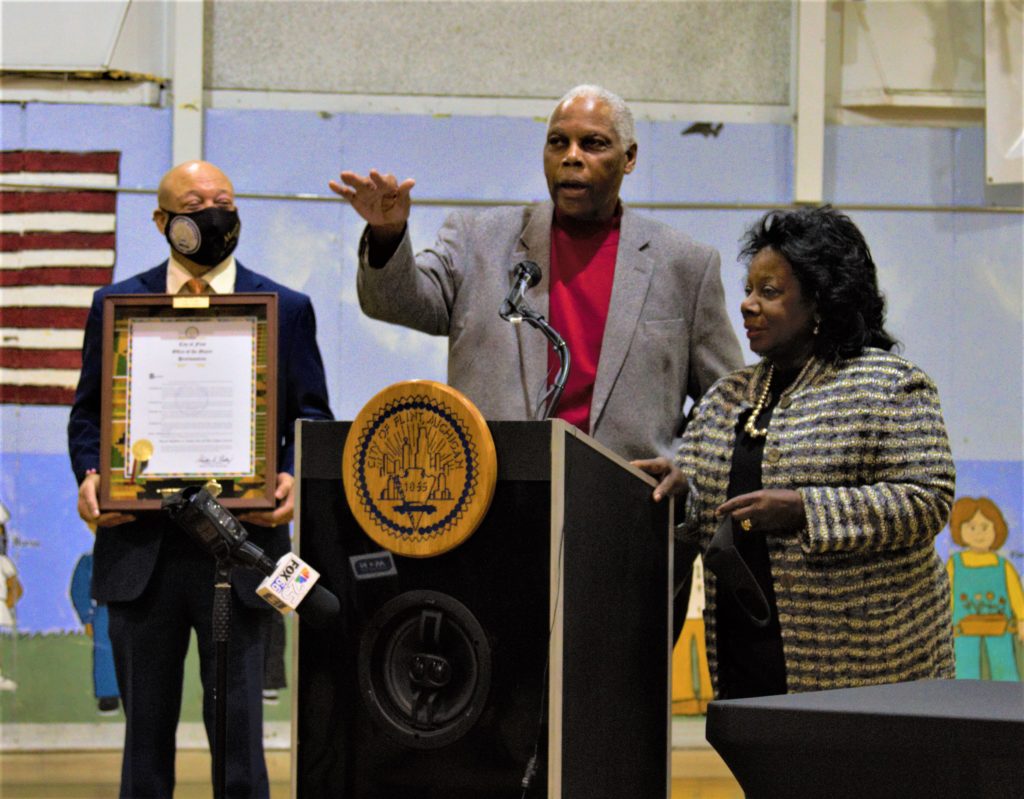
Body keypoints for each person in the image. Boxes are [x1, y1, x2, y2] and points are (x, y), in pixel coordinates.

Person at [68, 160, 333, 797]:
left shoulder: (287, 310)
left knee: (241, 751)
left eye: (225, 201)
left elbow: (313, 417)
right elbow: (88, 416)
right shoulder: (115, 307)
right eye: (194, 204)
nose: (214, 213)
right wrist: (91, 476)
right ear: (161, 220)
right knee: (144, 751)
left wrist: (291, 476)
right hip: (140, 550)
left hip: (243, 549)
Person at [636, 205, 956, 698]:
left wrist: (804, 509)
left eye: (769, 292)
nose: (747, 305)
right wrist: (681, 493)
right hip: (746, 653)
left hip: (867, 668)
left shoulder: (889, 384)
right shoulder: (727, 396)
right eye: (748, 290)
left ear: (820, 302)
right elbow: (706, 513)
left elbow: (926, 501)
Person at [329, 84, 742, 463]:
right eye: (558, 142)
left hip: (625, 503)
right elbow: (396, 303)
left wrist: (686, 465)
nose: (572, 156)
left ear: (629, 157)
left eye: (593, 143)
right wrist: (387, 233)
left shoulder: (685, 264)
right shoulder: (478, 239)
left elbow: (728, 402)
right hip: (493, 497)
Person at [947, 496, 1024, 680]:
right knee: (964, 673)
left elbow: (1016, 595)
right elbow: (947, 596)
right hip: (963, 635)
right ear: (959, 530)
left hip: (1001, 633)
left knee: (1005, 671)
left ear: (996, 528)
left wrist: (1022, 620)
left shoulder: (1003, 566)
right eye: (971, 527)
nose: (978, 534)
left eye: (985, 527)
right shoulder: (954, 564)